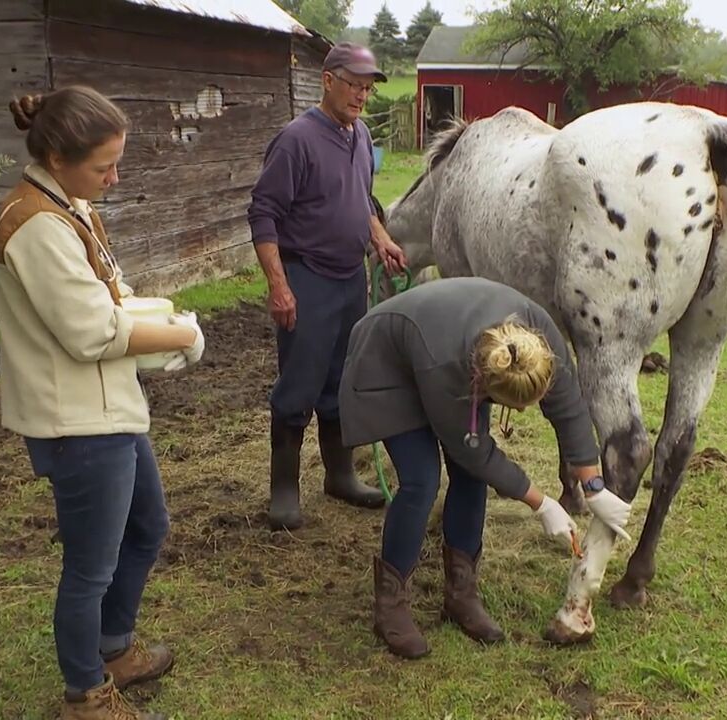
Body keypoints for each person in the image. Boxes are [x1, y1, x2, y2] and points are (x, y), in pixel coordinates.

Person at [0, 86, 205, 720]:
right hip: (75, 421)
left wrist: (152, 319)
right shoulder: (34, 225)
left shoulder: (69, 205)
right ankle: (85, 695)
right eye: (102, 165)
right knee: (90, 567)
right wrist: (183, 336)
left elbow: (107, 297)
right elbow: (91, 332)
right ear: (57, 157)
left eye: (116, 161)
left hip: (110, 409)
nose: (114, 176)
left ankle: (113, 649)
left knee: (147, 528)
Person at [338, 277, 633, 659]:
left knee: (470, 477)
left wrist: (592, 486)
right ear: (483, 384)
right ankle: (390, 606)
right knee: (421, 481)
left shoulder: (535, 339)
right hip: (387, 364)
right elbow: (474, 451)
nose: (525, 412)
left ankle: (461, 594)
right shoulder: (447, 366)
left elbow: (569, 407)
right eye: (517, 405)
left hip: (439, 349)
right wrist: (541, 503)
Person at [247, 41, 408, 531]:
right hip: (308, 277)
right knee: (300, 382)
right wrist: (279, 285)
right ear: (328, 80)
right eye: (354, 85)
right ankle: (283, 492)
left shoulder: (359, 136)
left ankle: (339, 476)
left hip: (349, 279)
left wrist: (379, 236)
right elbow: (263, 213)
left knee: (343, 380)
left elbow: (359, 198)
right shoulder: (296, 139)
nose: (361, 95)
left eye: (367, 88)